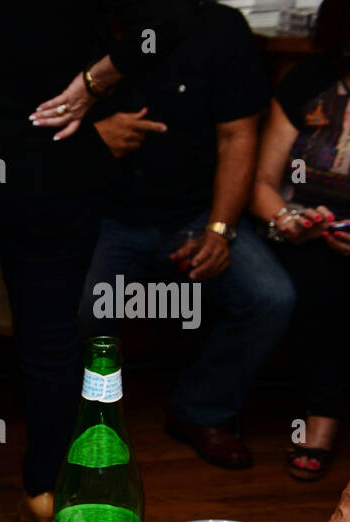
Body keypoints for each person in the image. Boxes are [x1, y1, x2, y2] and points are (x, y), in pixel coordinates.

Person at [0, 0, 191, 522]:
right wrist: (92, 83)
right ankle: (43, 495)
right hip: (50, 173)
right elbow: (167, 23)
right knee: (51, 346)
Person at [81, 0, 294, 470]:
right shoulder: (84, 25)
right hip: (104, 217)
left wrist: (220, 230)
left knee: (271, 297)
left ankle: (202, 411)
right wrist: (94, 137)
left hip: (196, 214)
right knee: (79, 307)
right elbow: (32, 128)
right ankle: (92, 427)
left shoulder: (220, 27)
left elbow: (238, 137)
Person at [251, 0, 350, 481]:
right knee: (321, 278)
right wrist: (290, 220)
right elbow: (263, 183)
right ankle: (321, 420)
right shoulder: (307, 82)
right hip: (309, 223)